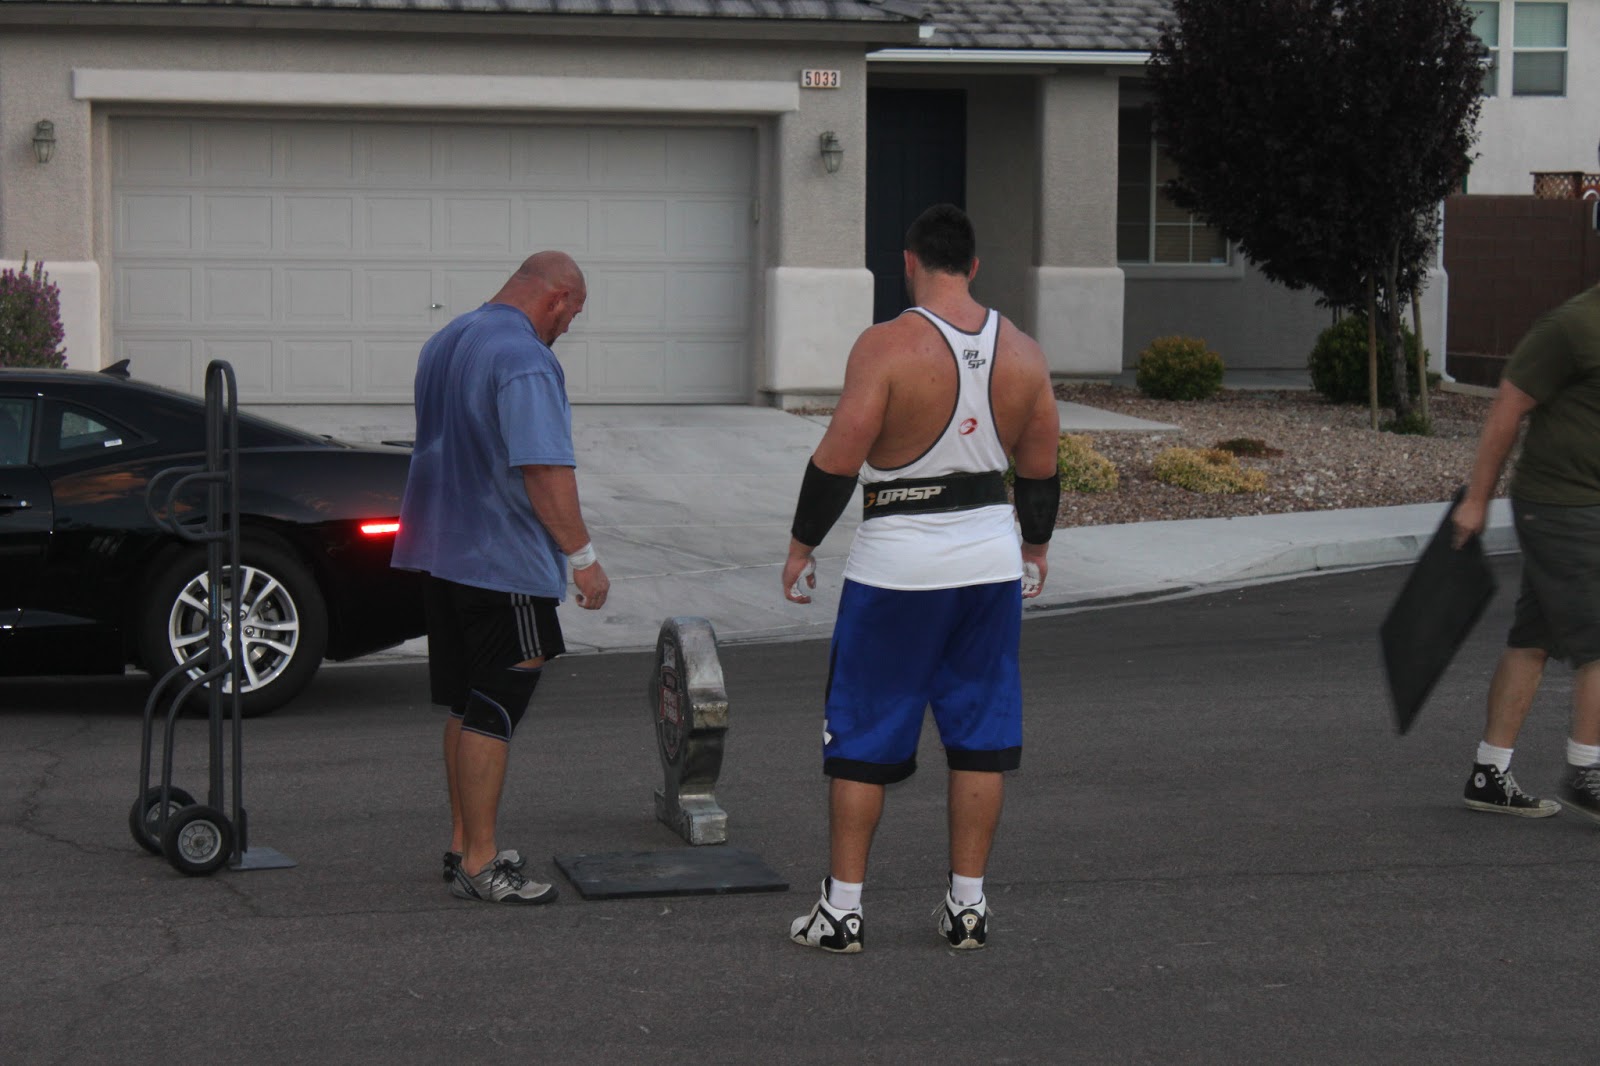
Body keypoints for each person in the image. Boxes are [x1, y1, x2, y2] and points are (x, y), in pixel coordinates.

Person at [779, 203, 1061, 953]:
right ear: (973, 266)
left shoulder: (888, 346)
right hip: (990, 565)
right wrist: (1035, 547)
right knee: (979, 738)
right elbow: (1040, 465)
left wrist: (802, 545)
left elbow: (840, 453)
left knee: (866, 735)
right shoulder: (1026, 355)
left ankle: (843, 912)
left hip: (897, 570)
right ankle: (967, 907)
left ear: (909, 264)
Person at [392, 251, 610, 905]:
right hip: (501, 555)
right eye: (573, 314)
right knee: (498, 700)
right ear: (557, 298)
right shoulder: (523, 356)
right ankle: (484, 862)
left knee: (467, 702)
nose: (568, 328)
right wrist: (582, 556)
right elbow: (542, 467)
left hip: (440, 549)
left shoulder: (447, 339)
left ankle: (464, 846)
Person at [1452, 283, 1600, 822]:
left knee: (1535, 637)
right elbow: (1505, 413)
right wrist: (1476, 501)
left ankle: (1490, 773)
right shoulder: (1572, 327)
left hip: (1587, 504)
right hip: (1561, 504)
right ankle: (1589, 771)